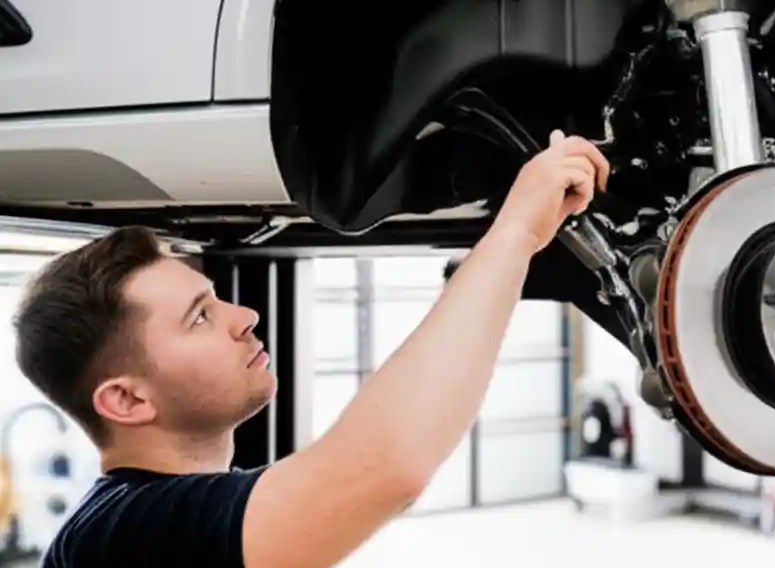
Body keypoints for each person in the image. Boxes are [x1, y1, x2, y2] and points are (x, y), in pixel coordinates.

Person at [13, 130, 610, 567]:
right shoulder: (119, 537)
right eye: (199, 318)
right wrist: (517, 232)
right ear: (126, 399)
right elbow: (385, 465)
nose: (245, 316)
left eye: (217, 298)